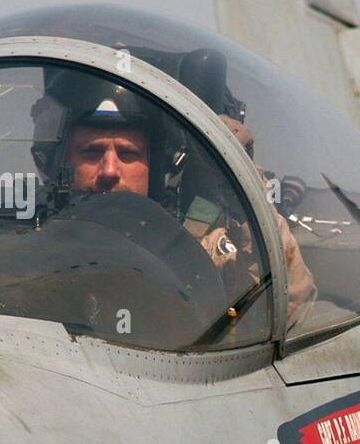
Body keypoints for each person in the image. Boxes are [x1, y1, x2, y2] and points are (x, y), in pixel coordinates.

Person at [37, 72, 317, 330]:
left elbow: (289, 308)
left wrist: (243, 188)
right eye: (92, 151)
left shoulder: (201, 256)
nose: (109, 170)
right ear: (62, 165)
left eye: (128, 153)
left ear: (156, 169)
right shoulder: (29, 240)